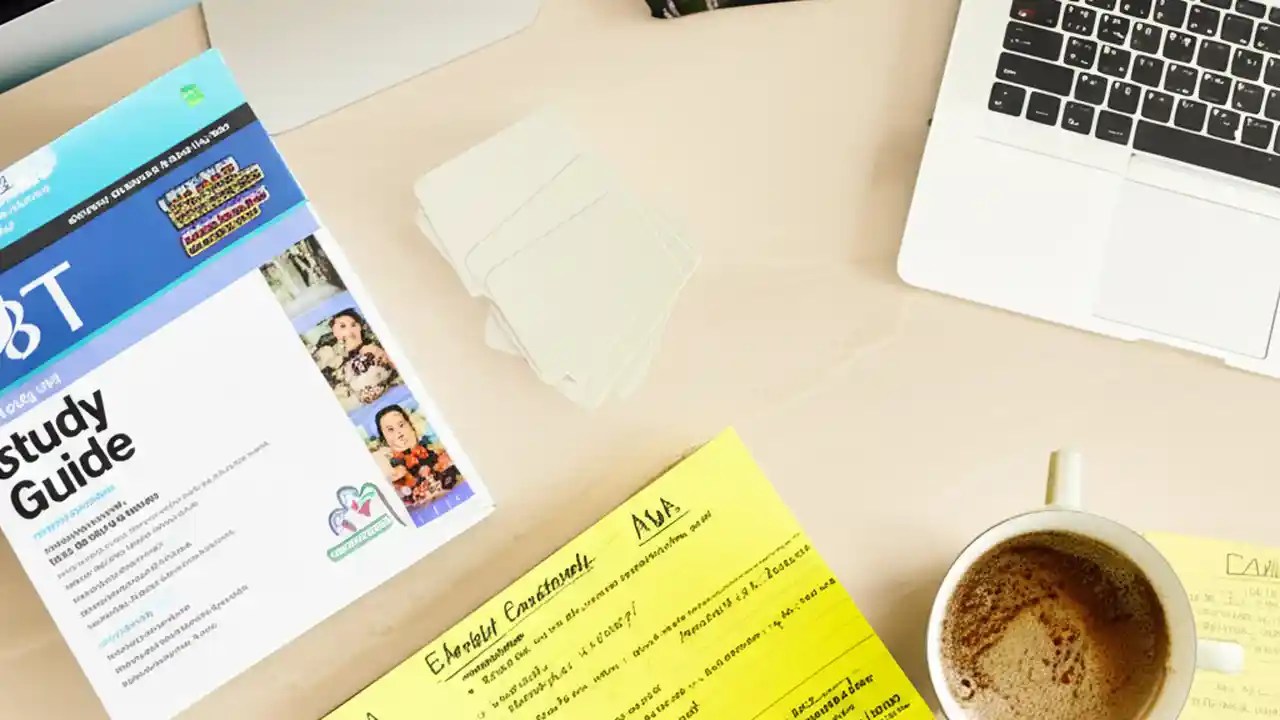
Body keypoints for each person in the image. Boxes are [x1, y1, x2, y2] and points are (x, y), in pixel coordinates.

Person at [375, 404, 462, 508]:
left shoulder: (438, 450)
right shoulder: (394, 474)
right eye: (390, 430)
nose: (399, 433)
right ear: (384, 439)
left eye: (401, 425)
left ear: (411, 425)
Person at [329, 309, 397, 404]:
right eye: (343, 326)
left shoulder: (373, 350)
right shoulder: (336, 362)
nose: (350, 330)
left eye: (353, 325)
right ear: (335, 332)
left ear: (360, 327)